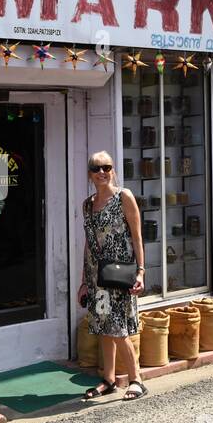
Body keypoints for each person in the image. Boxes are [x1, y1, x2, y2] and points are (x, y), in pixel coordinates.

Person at [77, 151, 146, 401]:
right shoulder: (87, 204)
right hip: (97, 277)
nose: (102, 172)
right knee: (104, 327)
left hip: (119, 274)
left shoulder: (123, 197)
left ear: (113, 170)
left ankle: (136, 379)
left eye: (107, 167)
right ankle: (109, 378)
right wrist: (84, 280)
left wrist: (141, 271)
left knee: (119, 328)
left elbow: (137, 237)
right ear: (90, 175)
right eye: (96, 168)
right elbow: (89, 243)